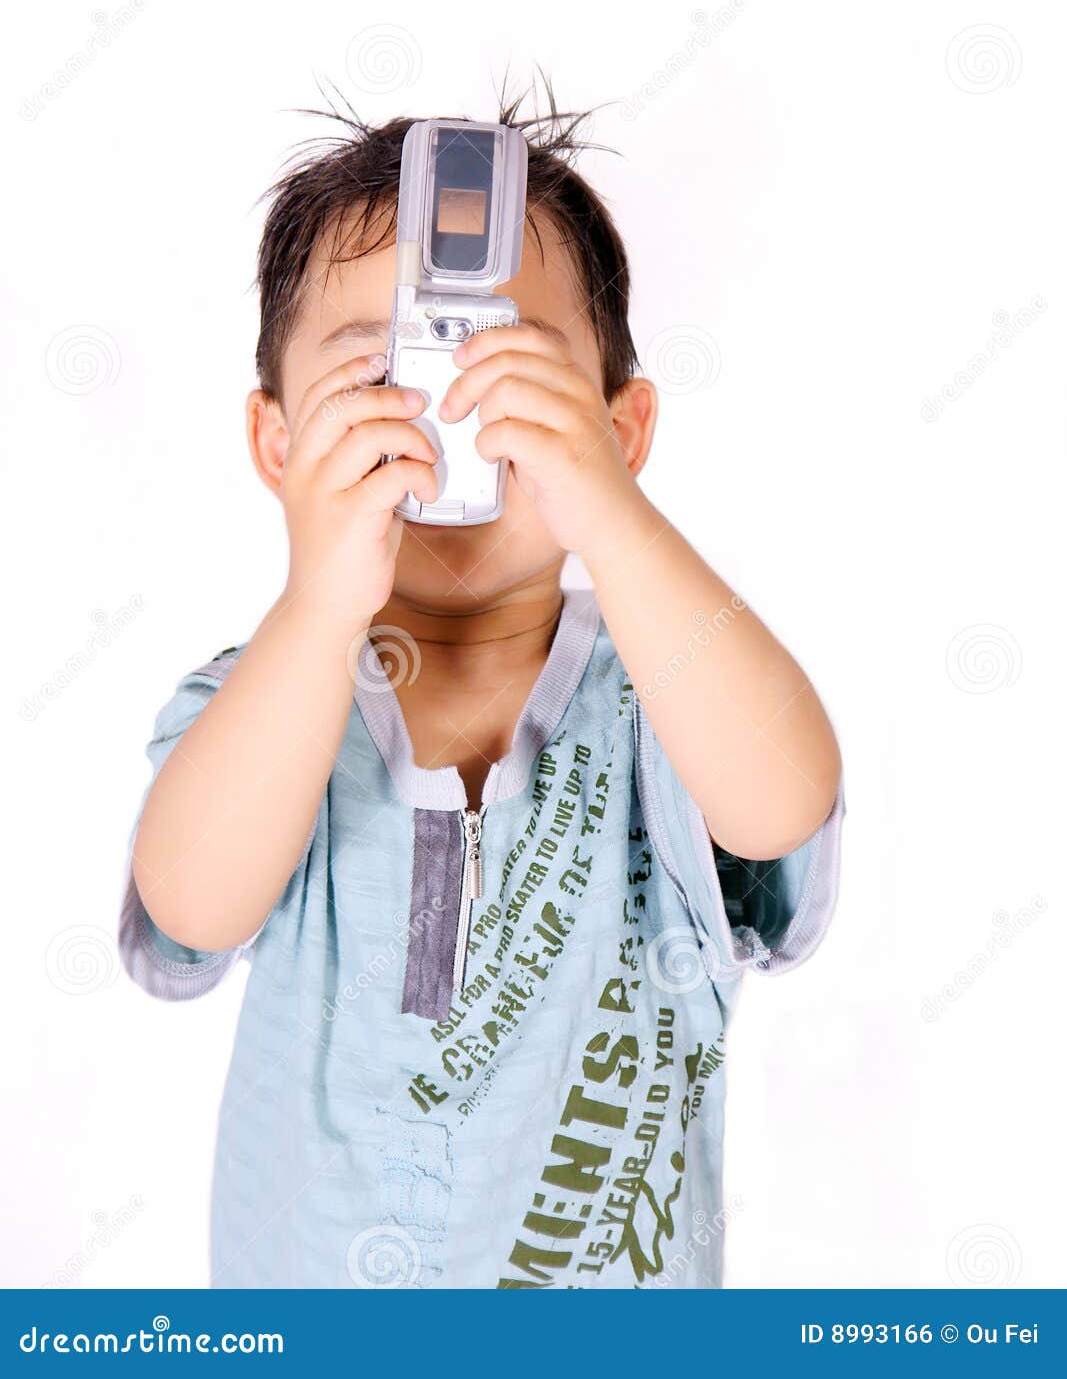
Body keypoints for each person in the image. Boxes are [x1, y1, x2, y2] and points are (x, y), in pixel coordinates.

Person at [120, 94, 843, 1289]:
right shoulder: (258, 697)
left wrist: (610, 517)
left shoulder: (664, 694)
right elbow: (191, 902)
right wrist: (315, 611)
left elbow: (780, 798)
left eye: (503, 366)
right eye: (381, 369)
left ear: (620, 429)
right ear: (279, 445)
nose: (444, 413)